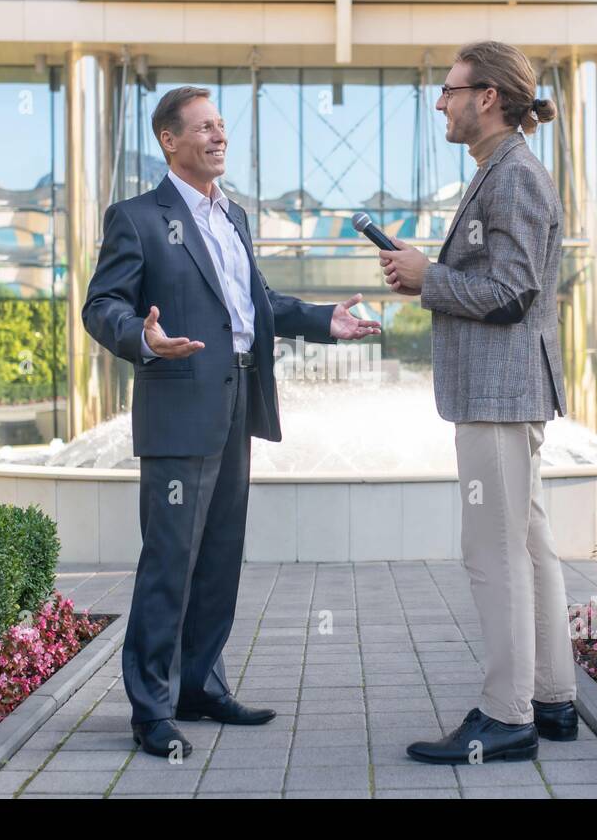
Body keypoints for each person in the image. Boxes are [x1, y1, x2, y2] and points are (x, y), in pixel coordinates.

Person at [82, 85, 380, 759]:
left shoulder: (234, 216)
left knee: (218, 559)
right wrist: (141, 336)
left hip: (240, 399)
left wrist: (323, 322)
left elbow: (256, 301)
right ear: (169, 140)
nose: (220, 136)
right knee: (170, 562)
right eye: (205, 127)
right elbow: (101, 306)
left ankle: (200, 687)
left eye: (222, 126)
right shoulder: (137, 218)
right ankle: (151, 709)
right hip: (178, 406)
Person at [379, 41, 577, 764]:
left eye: (449, 90)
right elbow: (498, 284)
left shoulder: (515, 175)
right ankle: (553, 702)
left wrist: (430, 278)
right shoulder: (503, 170)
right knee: (527, 546)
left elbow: (511, 294)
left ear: (486, 96)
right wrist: (424, 275)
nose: (441, 103)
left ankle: (506, 715)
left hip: (500, 393)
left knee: (491, 552)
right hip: (504, 390)